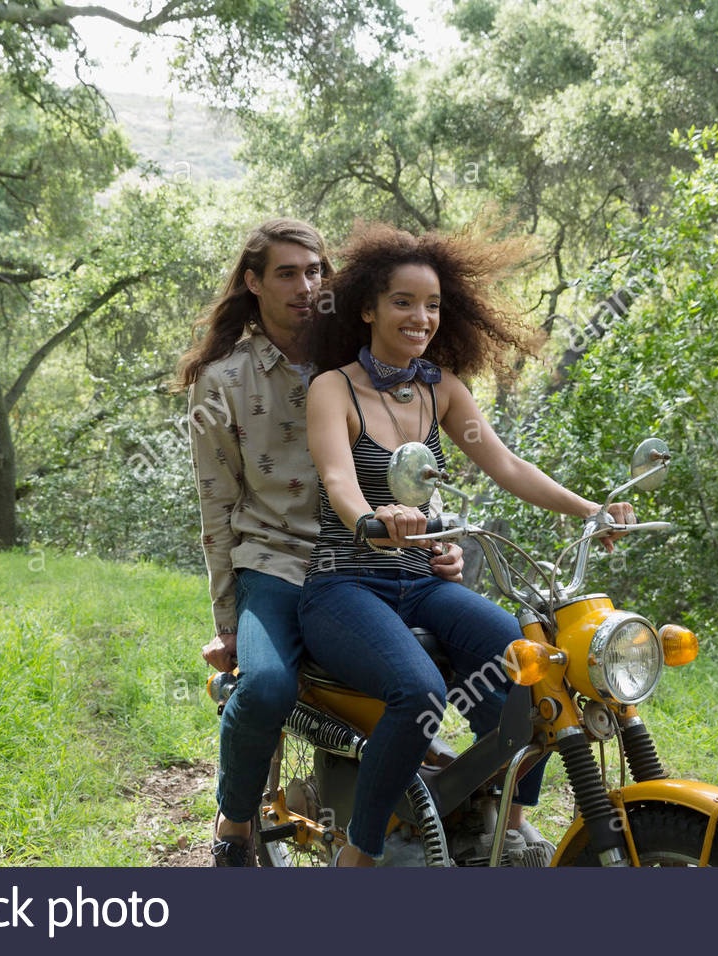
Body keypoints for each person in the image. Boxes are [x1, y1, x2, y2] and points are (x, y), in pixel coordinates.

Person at [299, 223, 635, 867]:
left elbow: (506, 467)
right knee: (419, 691)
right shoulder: (332, 389)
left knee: (528, 662)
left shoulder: (440, 389)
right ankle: (358, 856)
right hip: (344, 583)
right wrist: (374, 518)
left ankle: (501, 822)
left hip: (422, 580)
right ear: (368, 307)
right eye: (402, 302)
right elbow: (339, 479)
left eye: (432, 305)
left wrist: (592, 510)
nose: (420, 317)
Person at [174, 218, 466, 866]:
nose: (306, 286)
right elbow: (217, 507)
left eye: (316, 271)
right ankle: (236, 818)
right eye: (287, 273)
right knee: (270, 685)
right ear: (253, 282)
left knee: (482, 657)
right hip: (274, 563)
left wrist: (437, 535)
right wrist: (226, 625)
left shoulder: (356, 356)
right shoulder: (223, 382)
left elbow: (410, 459)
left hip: (372, 562)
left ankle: (463, 809)